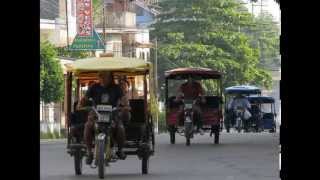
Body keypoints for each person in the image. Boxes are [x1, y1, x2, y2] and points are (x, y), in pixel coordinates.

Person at [83, 71, 129, 164]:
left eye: (105, 76)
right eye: (100, 76)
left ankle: (120, 150)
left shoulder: (116, 88)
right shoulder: (94, 87)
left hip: (113, 114)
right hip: (96, 114)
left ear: (110, 77)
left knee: (120, 128)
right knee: (88, 126)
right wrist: (81, 103)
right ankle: (89, 152)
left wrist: (125, 105)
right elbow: (85, 99)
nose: (102, 78)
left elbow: (124, 99)